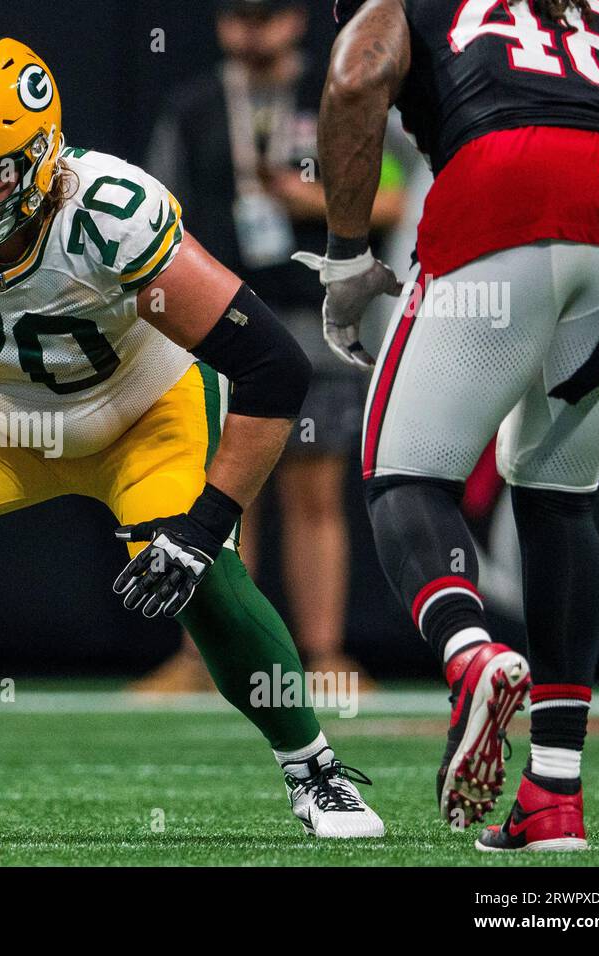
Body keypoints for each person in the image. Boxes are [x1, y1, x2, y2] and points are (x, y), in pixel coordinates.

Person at [0, 36, 384, 840]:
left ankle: (316, 771)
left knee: (196, 570)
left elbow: (272, 367)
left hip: (143, 412)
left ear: (42, 157)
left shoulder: (107, 216)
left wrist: (205, 526)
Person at [298, 0, 599, 849]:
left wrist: (348, 253)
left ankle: (470, 655)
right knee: (558, 497)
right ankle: (554, 798)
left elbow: (355, 78)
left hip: (504, 180)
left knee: (403, 473)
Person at [139, 0, 405, 692]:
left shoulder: (341, 90)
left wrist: (309, 201)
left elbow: (395, 201)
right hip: (217, 327)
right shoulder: (194, 106)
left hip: (313, 322)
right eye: (237, 18)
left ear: (296, 20)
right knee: (224, 494)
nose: (252, 33)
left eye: (267, 16)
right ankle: (209, 659)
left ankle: (323, 659)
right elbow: (153, 218)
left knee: (315, 499)